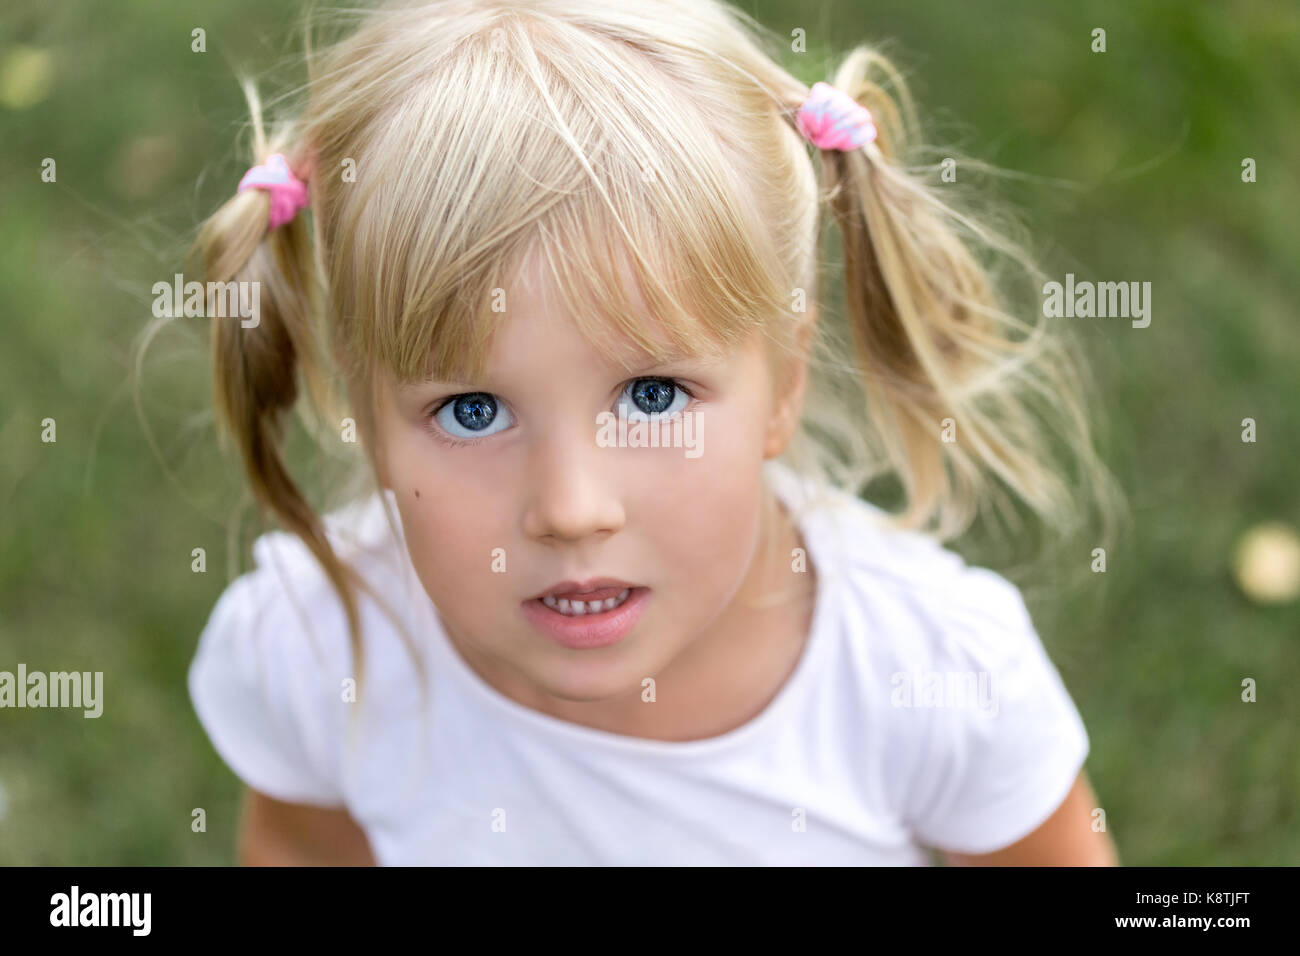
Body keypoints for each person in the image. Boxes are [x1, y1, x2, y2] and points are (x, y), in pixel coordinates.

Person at [184, 0, 1121, 865]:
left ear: (785, 375)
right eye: (474, 411)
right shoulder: (321, 656)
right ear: (365, 412)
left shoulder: (932, 680)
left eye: (654, 397)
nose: (571, 509)